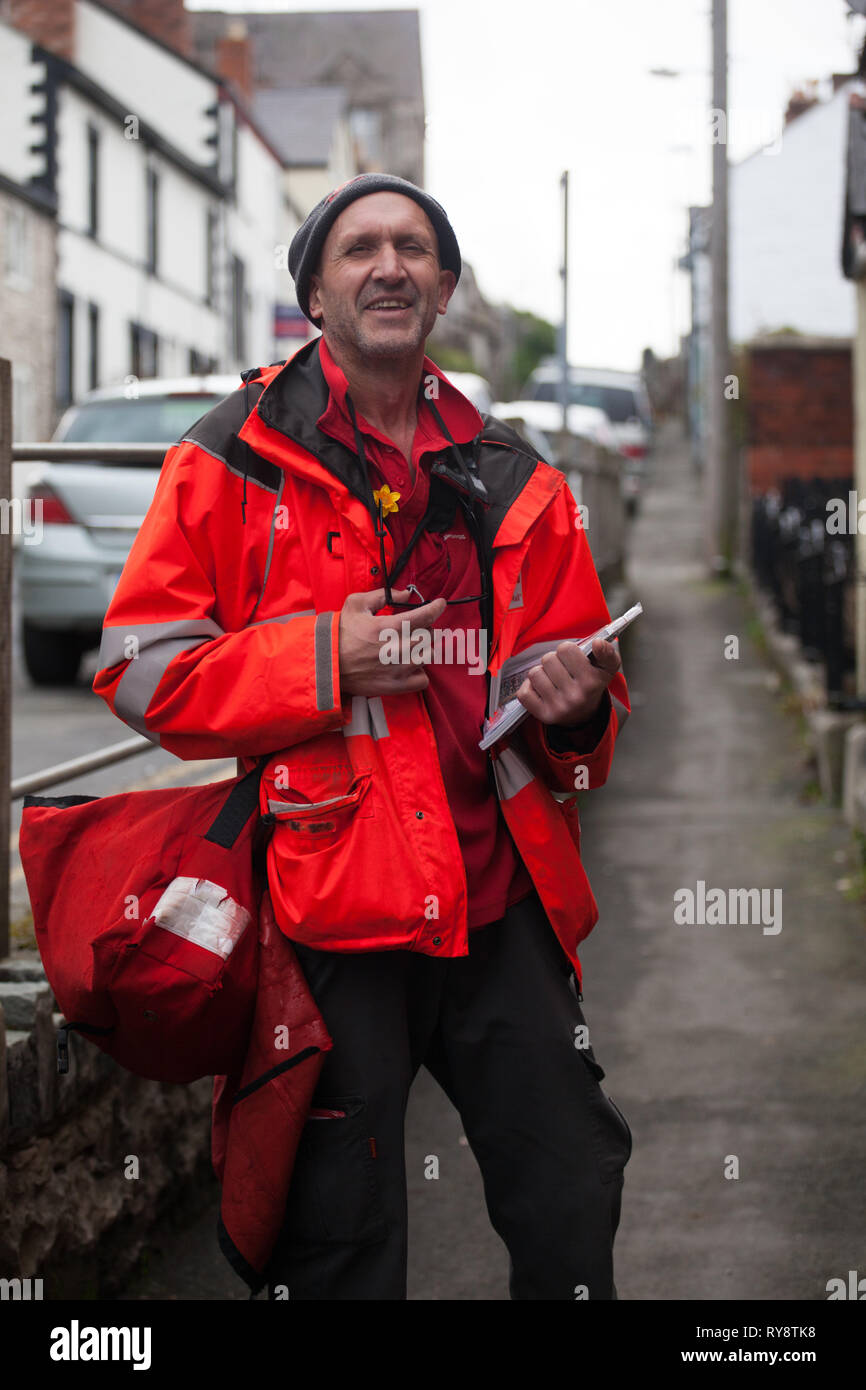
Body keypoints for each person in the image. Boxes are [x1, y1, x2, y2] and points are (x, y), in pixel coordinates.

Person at [93, 172, 633, 1301]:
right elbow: (137, 670)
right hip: (328, 904)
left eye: (412, 247)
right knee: (336, 1233)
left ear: (440, 289)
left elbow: (580, 694)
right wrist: (321, 661)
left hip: (499, 901)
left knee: (572, 1184)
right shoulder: (232, 457)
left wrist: (576, 705)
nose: (389, 264)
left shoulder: (515, 473)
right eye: (358, 248)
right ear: (315, 292)